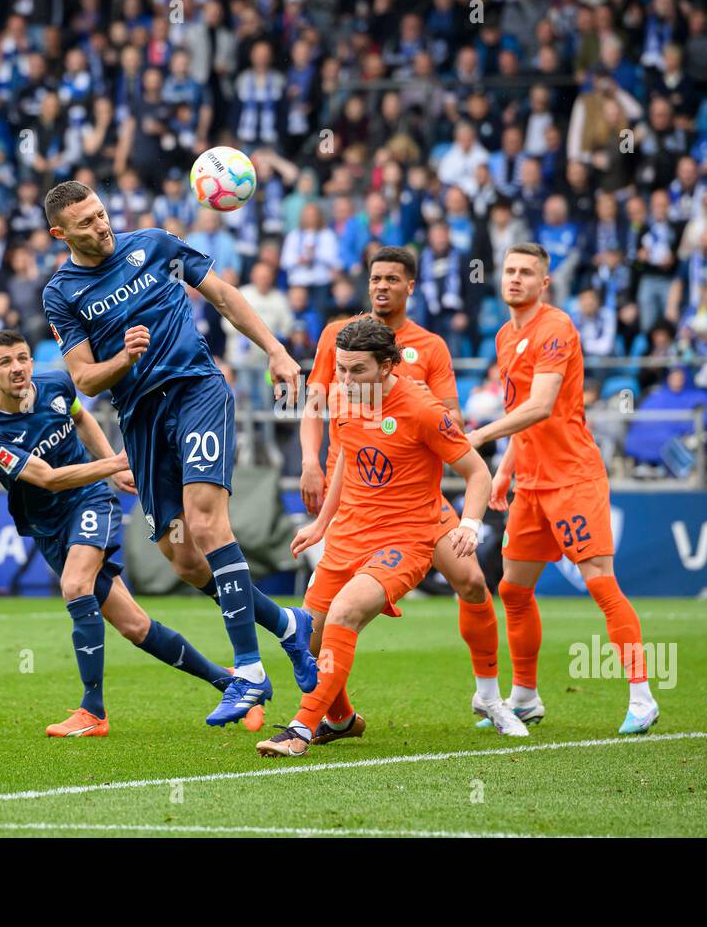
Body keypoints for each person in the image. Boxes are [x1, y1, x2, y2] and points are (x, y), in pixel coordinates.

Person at [41, 179, 317, 727]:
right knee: (186, 559)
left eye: (101, 214)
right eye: (86, 224)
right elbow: (86, 380)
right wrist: (122, 359)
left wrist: (277, 351)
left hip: (196, 391)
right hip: (140, 420)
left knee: (208, 525)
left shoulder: (156, 246)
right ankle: (289, 625)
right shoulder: (61, 293)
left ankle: (249, 672)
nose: (101, 227)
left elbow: (224, 295)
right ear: (60, 234)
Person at [0, 331, 250, 737]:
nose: (18, 369)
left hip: (89, 501)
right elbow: (47, 479)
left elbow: (81, 417)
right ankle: (231, 682)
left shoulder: (56, 384)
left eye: (23, 358)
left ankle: (93, 711)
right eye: (6, 363)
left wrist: (110, 466)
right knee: (134, 626)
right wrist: (116, 463)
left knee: (75, 585)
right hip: (50, 526)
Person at [300, 247, 527, 736]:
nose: (382, 286)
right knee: (313, 628)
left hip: (417, 499)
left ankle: (490, 697)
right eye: (375, 277)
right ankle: (336, 716)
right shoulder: (337, 339)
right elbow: (316, 403)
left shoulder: (430, 347)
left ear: (410, 286)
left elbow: (452, 424)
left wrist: (424, 426)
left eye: (392, 279)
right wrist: (309, 462)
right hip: (358, 491)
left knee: (471, 582)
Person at [256, 318, 492, 757]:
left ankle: (300, 730)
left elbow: (478, 472)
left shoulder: (423, 410)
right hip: (348, 532)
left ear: (388, 366)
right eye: (341, 369)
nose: (345, 380)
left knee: (345, 613)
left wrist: (469, 525)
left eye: (357, 370)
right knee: (305, 638)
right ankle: (341, 719)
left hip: (405, 538)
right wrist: (322, 524)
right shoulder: (345, 397)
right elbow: (347, 457)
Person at [466, 243, 659, 735]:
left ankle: (643, 697)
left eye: (526, 272)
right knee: (512, 589)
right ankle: (526, 696)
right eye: (509, 270)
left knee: (599, 582)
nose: (515, 278)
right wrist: (507, 469)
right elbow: (522, 413)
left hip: (572, 476)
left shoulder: (555, 328)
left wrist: (483, 435)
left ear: (544, 283)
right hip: (530, 481)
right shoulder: (505, 336)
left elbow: (542, 405)